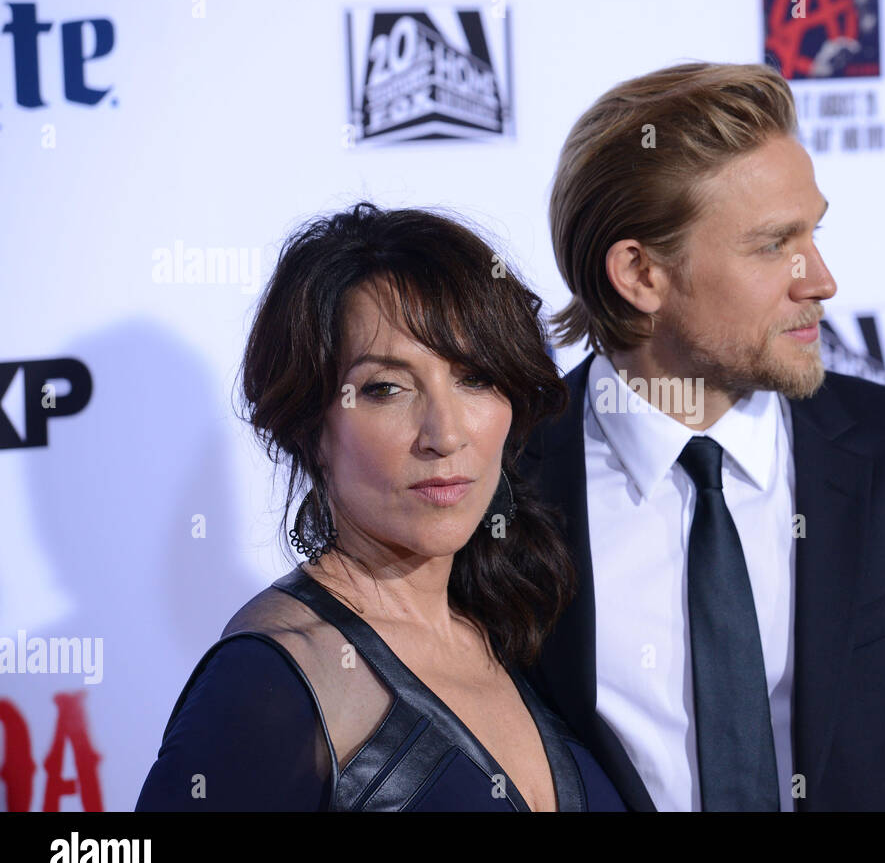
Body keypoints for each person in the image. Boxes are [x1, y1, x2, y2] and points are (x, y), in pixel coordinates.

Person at [519, 62, 885, 811]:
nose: (820, 278)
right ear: (641, 274)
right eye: (774, 244)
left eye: (814, 231)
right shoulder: (498, 482)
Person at [136, 204, 625, 811]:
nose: (445, 435)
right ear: (311, 426)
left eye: (474, 378)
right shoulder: (267, 683)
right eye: (385, 388)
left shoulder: (515, 626)